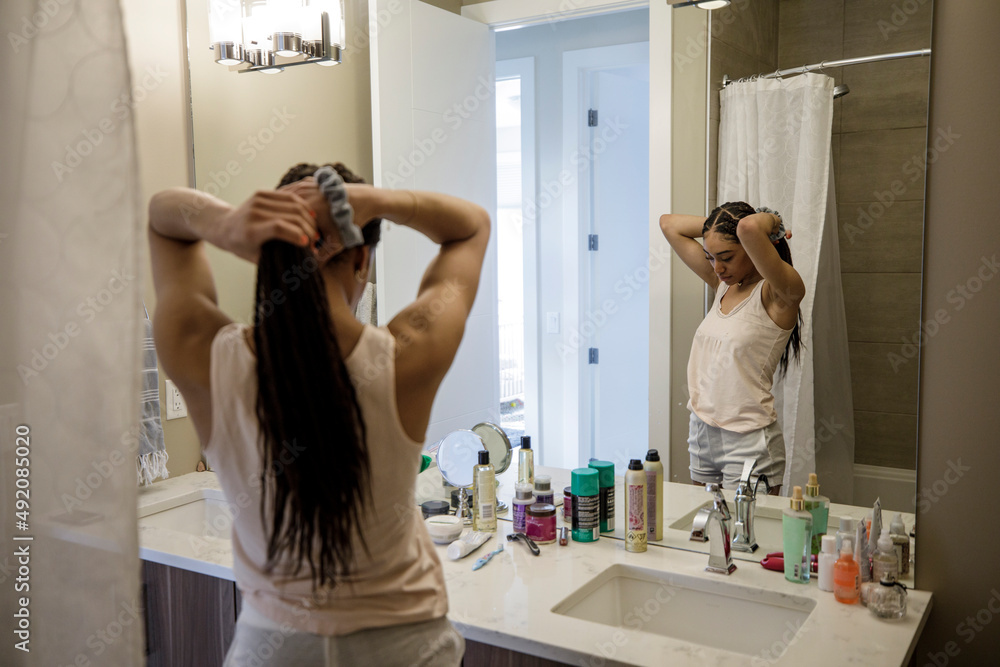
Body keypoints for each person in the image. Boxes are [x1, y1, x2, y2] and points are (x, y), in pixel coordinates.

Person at [148, 161, 490, 666]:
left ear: (262, 251)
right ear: (363, 262)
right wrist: (385, 200)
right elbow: (471, 227)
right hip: (405, 650)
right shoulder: (407, 353)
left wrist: (224, 224)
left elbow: (162, 217)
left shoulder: (206, 358)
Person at [659, 201, 804, 495]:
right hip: (702, 430)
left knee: (747, 538)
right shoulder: (724, 284)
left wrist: (772, 224)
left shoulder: (779, 295)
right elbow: (668, 224)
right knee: (705, 532)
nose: (718, 267)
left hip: (749, 440)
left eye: (726, 256)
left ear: (753, 247)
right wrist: (721, 227)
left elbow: (749, 228)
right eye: (710, 257)